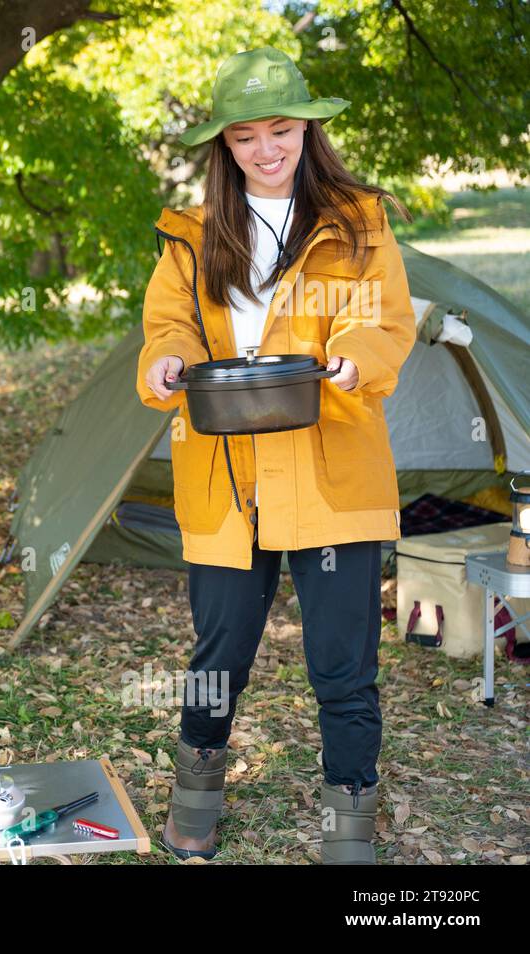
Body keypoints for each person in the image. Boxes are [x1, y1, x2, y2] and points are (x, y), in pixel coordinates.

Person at [135, 47, 416, 864]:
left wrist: (359, 354)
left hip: (333, 469)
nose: (266, 150)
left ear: (308, 131)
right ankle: (194, 803)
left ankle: (349, 831)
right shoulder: (192, 237)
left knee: (343, 665)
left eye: (282, 130)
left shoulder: (358, 222)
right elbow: (171, 323)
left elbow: (383, 316)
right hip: (228, 477)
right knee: (218, 654)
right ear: (224, 146)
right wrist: (168, 358)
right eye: (246, 136)